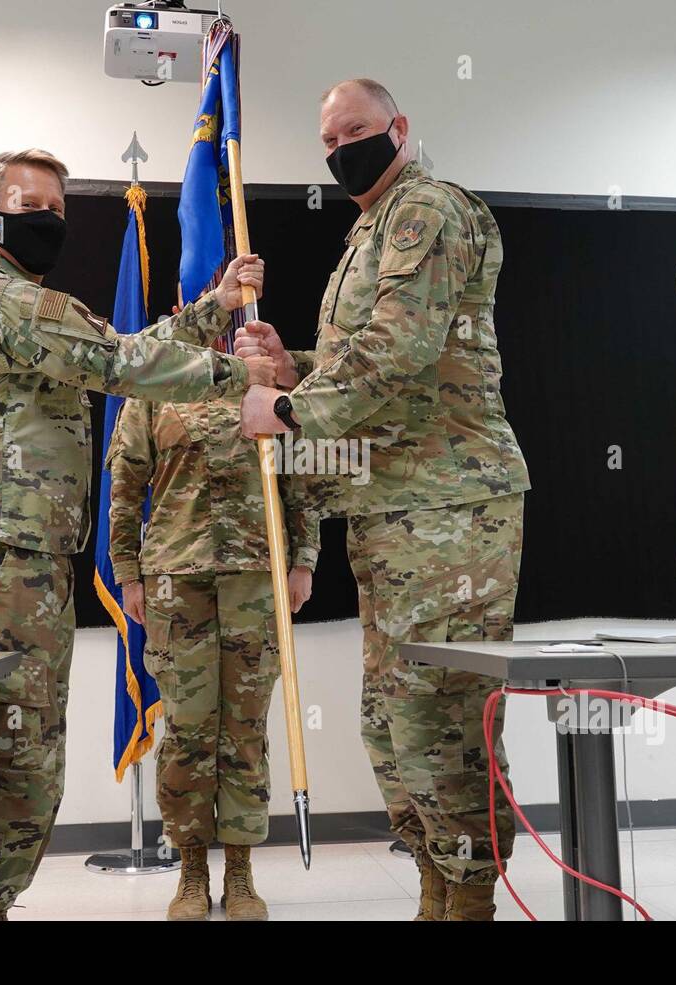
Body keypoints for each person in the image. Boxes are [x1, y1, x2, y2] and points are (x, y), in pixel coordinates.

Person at [0, 148, 273, 920]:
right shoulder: (3, 303)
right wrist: (237, 377)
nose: (47, 221)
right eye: (29, 206)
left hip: (20, 565)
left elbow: (120, 346)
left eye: (57, 210)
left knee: (17, 771)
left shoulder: (31, 308)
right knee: (6, 772)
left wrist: (213, 310)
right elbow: (121, 362)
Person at [236, 80, 530, 921]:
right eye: (327, 142)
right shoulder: (370, 226)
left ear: (399, 127)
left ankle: (469, 898)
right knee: (394, 723)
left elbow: (399, 350)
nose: (339, 152)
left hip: (451, 505)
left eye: (355, 131)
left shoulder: (424, 209)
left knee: (441, 718)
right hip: (391, 504)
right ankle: (437, 890)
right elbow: (368, 356)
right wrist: (294, 365)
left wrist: (288, 410)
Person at [108, 393, 320, 920]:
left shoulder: (268, 389)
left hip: (256, 572)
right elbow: (126, 487)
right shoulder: (153, 391)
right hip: (176, 580)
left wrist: (304, 561)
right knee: (188, 728)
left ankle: (242, 872)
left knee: (245, 728)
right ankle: (192, 871)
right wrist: (127, 573)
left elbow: (301, 482)